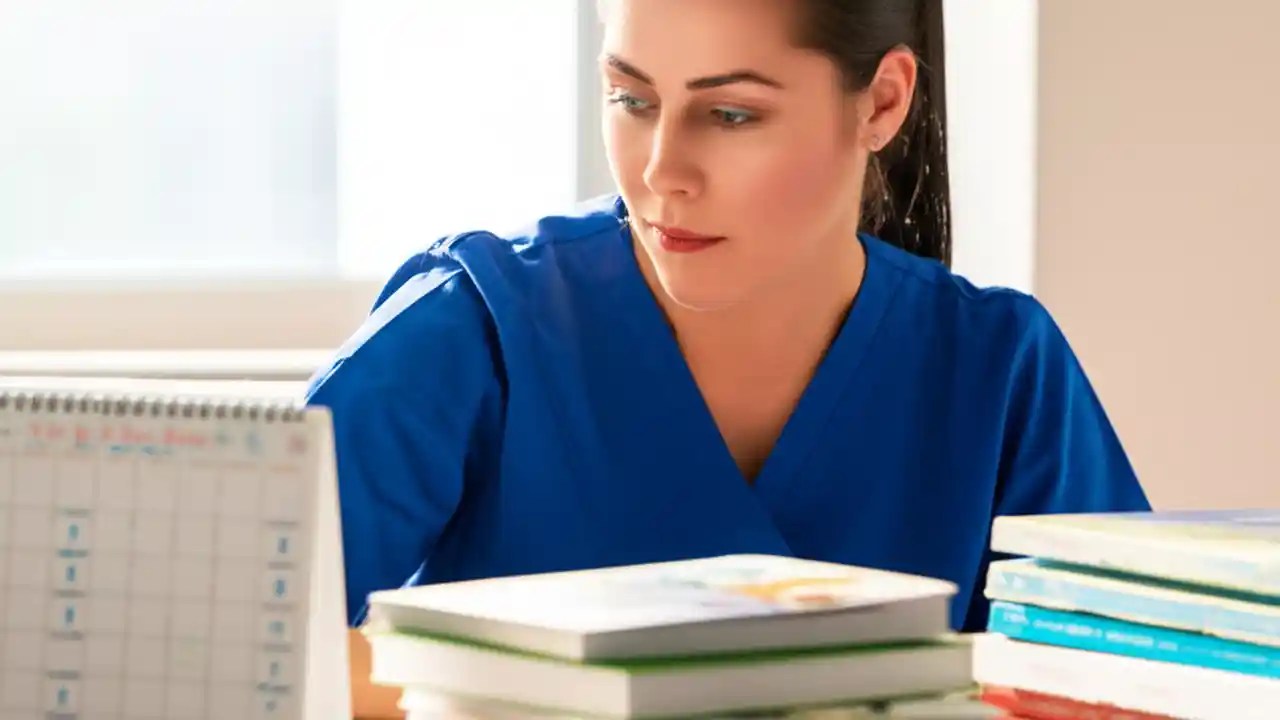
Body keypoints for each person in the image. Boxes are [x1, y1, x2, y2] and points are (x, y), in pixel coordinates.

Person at [306, 0, 1149, 713]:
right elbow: (238, 651)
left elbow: (1127, 688)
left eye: (732, 114)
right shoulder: (475, 324)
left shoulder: (1000, 367)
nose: (663, 172)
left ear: (883, 103)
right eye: (631, 99)